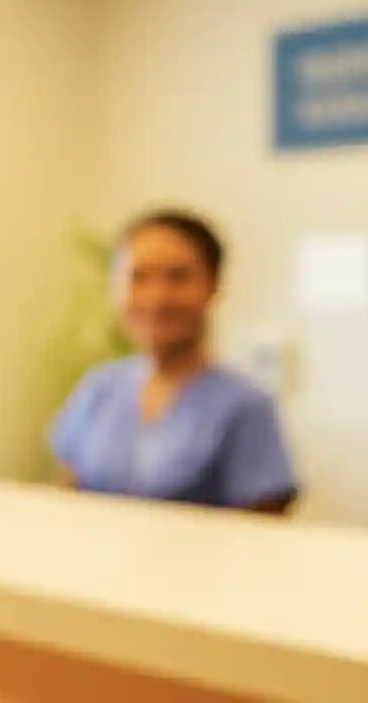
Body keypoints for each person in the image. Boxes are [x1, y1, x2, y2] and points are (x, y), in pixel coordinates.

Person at [51, 209, 298, 513]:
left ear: (213, 285)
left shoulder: (245, 407)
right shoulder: (99, 389)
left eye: (178, 277)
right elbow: (65, 503)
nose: (157, 298)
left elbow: (264, 528)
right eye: (138, 277)